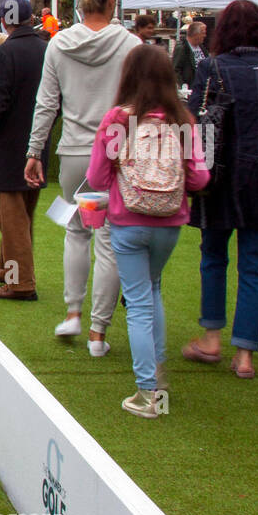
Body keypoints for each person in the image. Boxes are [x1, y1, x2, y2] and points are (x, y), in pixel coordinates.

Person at [87, 44, 210, 416]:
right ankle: (156, 372)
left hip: (128, 220)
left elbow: (96, 176)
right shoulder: (184, 120)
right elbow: (201, 177)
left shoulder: (117, 120)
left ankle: (148, 392)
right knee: (152, 291)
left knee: (139, 302)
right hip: (169, 220)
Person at [180, 0, 258, 377]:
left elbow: (195, 121)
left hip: (220, 175)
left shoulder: (210, 68)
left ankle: (211, 338)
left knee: (214, 255)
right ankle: (245, 353)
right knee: (256, 264)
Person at [25, 0, 140, 357]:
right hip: (112, 154)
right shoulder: (130, 45)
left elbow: (46, 104)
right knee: (107, 241)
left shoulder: (59, 44)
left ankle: (74, 312)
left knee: (76, 230)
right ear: (111, 1)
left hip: (74, 153)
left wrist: (33, 151)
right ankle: (97, 331)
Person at [0, 0, 47, 301]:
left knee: (12, 218)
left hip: (7, 148)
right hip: (36, 145)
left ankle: (19, 282)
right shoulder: (47, 50)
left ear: (5, 22)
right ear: (31, 19)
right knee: (23, 215)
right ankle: (8, 269)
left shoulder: (4, 54)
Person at [172, 19, 207, 89]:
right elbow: (175, 69)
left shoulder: (202, 47)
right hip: (190, 87)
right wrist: (182, 86)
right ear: (195, 34)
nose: (205, 35)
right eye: (203, 33)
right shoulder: (182, 48)